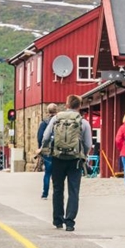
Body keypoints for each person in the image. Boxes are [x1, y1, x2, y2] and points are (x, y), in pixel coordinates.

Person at [41, 94, 92, 232]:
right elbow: (88, 143)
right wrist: (84, 154)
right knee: (73, 190)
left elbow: (45, 136)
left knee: (58, 189)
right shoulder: (83, 122)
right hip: (75, 159)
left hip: (57, 158)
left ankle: (58, 220)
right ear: (79, 106)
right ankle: (69, 222)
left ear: (67, 104)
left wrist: (44, 149)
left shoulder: (56, 119)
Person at [36, 103, 58, 199]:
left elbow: (40, 137)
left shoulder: (44, 122)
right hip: (58, 150)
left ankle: (45, 194)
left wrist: (40, 148)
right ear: (56, 111)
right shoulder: (59, 121)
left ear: (48, 111)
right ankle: (57, 193)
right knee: (57, 173)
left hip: (47, 150)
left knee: (47, 173)